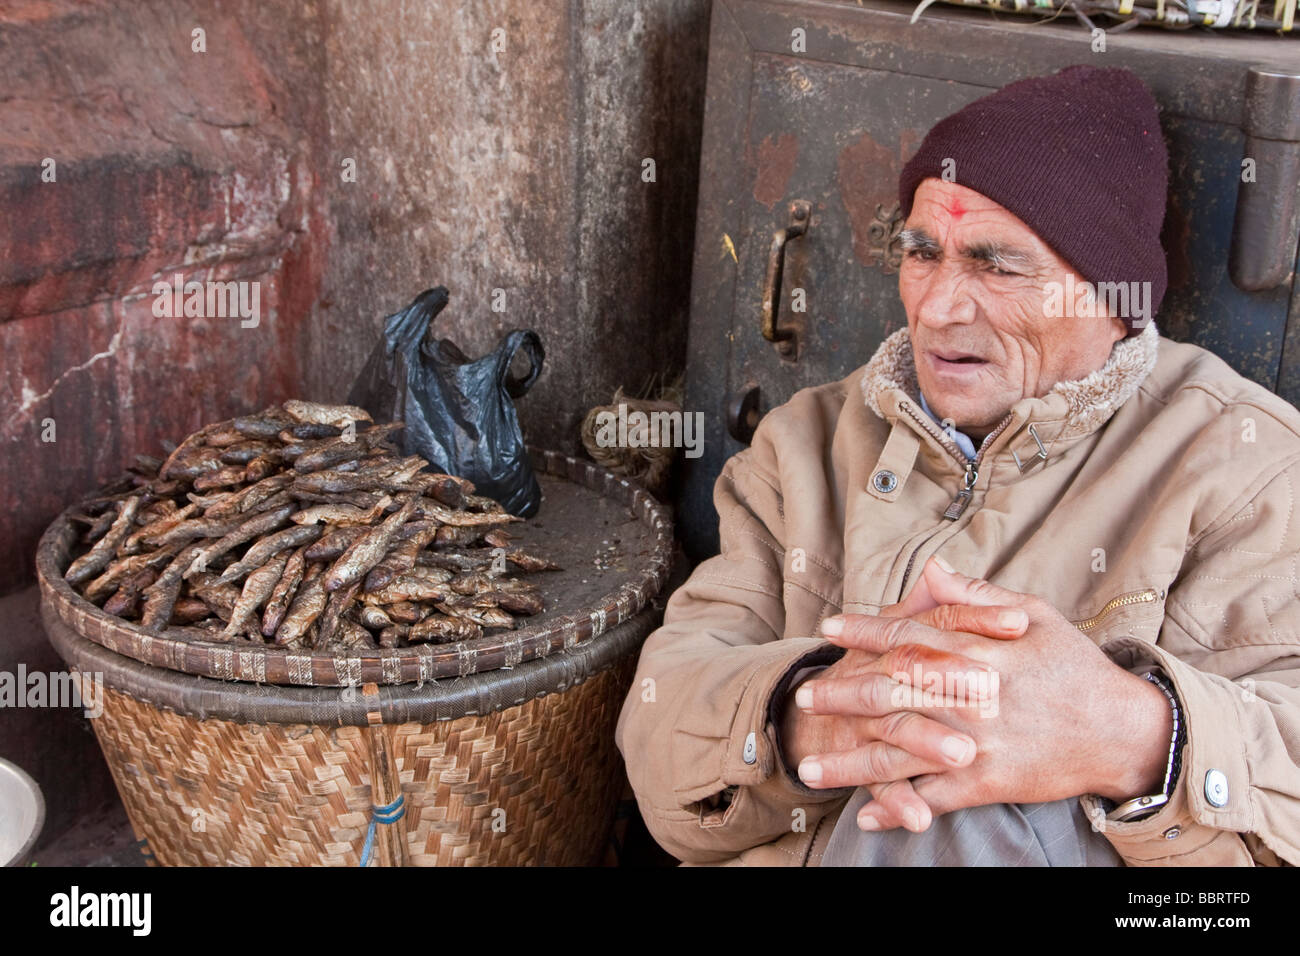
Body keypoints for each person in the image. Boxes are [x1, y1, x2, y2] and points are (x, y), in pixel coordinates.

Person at [614, 65, 1300, 866]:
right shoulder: (804, 445)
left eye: (996, 265)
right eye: (920, 251)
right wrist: (812, 714)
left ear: (1113, 299)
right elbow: (660, 747)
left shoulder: (1244, 463)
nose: (938, 306)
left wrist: (1131, 736)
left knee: (959, 807)